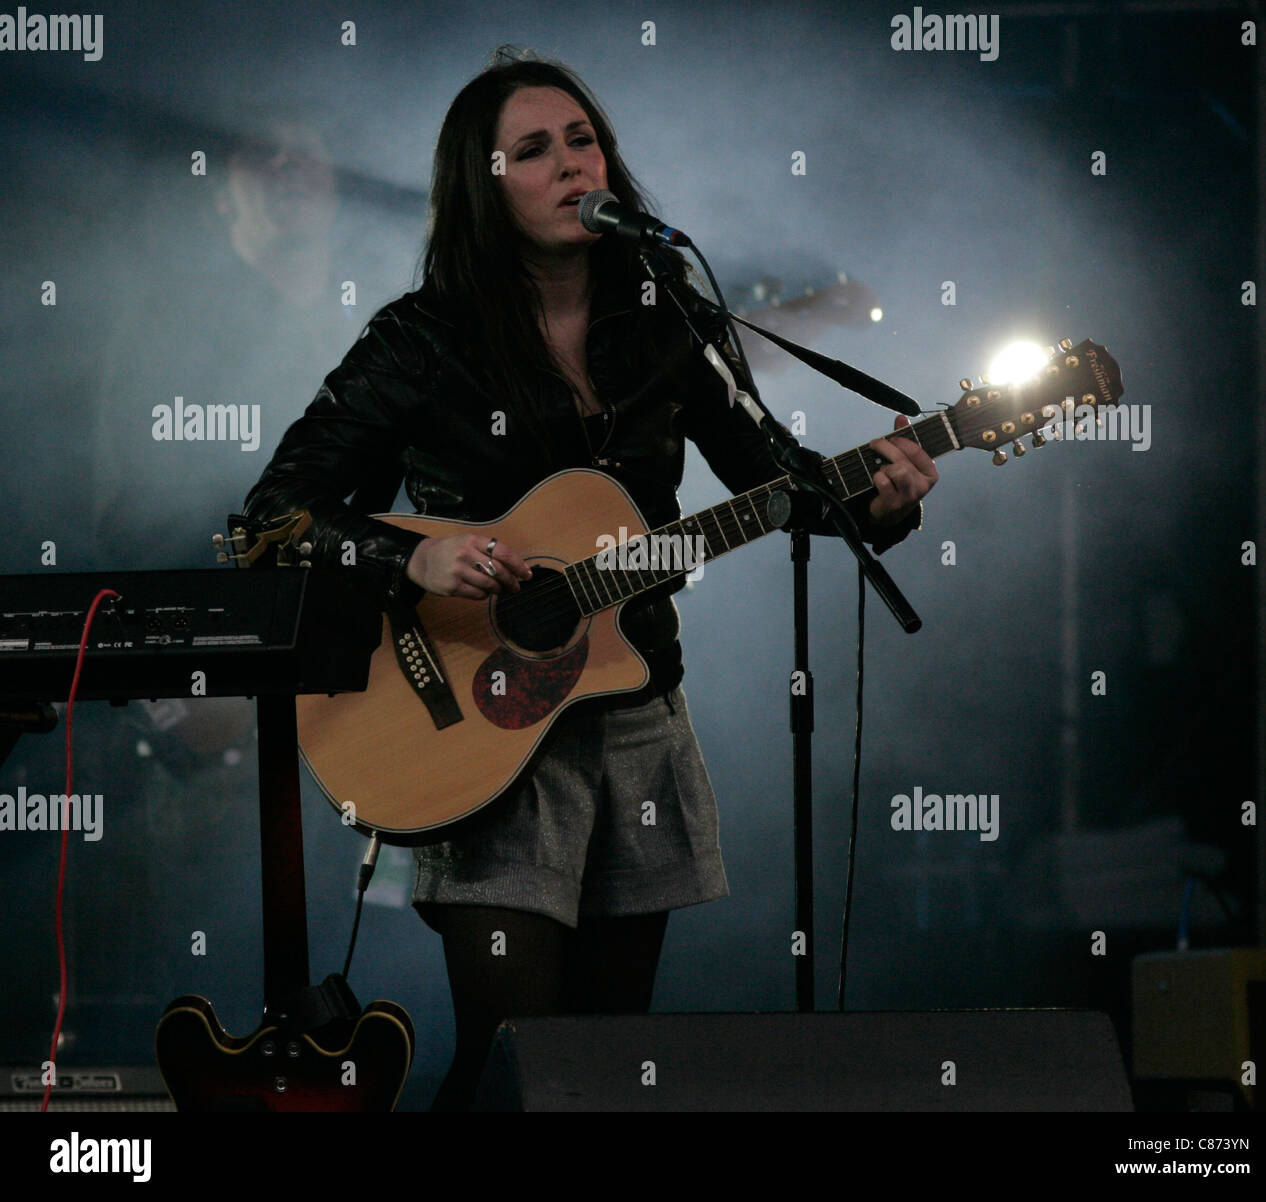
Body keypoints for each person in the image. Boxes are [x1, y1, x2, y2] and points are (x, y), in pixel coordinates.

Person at [241, 47, 937, 1110]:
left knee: (605, 1069)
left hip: (628, 710)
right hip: (464, 720)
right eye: (534, 150)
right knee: (513, 1050)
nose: (572, 165)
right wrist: (413, 554)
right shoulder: (420, 341)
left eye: (583, 140)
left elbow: (778, 481)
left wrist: (884, 502)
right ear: (484, 185)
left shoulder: (670, 318)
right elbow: (272, 518)